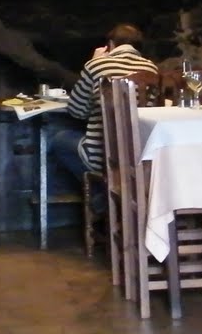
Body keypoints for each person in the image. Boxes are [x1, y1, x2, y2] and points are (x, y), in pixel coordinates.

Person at [49, 24, 158, 204]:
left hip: (102, 154)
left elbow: (76, 111)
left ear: (110, 44)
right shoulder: (151, 69)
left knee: (59, 140)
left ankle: (101, 197)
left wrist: (90, 63)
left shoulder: (96, 65)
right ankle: (114, 195)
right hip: (137, 152)